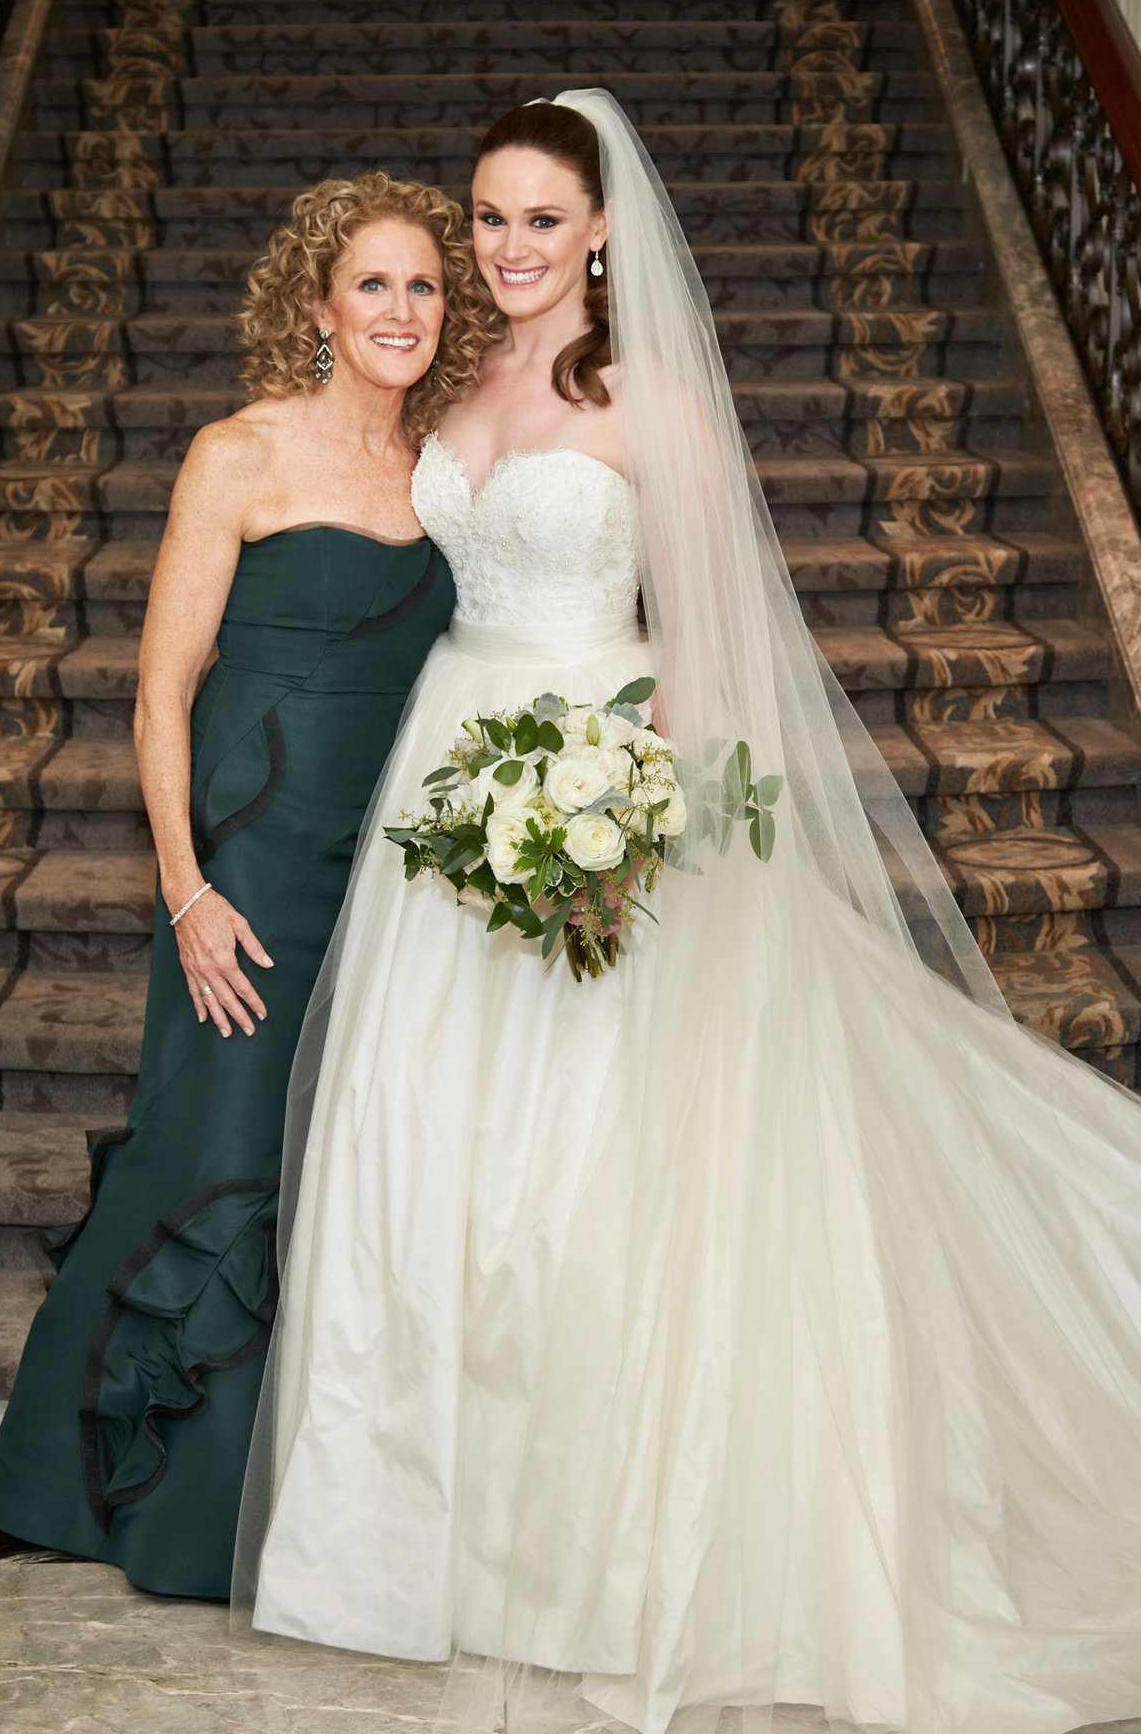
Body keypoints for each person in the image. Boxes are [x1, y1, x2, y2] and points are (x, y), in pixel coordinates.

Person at [236, 98, 1141, 1734]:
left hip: (600, 765)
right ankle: (399, 1554)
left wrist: (626, 820)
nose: (506, 251)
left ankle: (586, 1567)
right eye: (487, 220)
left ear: (601, 233)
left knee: (592, 1163)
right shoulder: (451, 381)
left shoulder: (652, 403)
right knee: (422, 1134)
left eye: (538, 222)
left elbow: (713, 646)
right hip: (449, 764)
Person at [0, 173, 497, 1599]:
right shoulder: (240, 454)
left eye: (424, 286)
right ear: (319, 303)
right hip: (249, 857)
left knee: (346, 1169)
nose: (401, 310)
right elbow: (158, 695)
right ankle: (113, 1495)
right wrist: (188, 890)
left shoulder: (449, 468)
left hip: (394, 867)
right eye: (373, 284)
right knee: (214, 1154)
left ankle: (305, 1502)